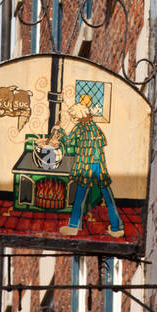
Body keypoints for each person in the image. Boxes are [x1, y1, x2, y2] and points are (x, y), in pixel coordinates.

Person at [55, 94, 124, 238]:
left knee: (80, 197)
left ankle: (73, 226)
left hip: (87, 166)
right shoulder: (94, 126)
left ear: (78, 116)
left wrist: (59, 130)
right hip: (99, 165)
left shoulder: (79, 128)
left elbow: (68, 142)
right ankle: (116, 227)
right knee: (108, 197)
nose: (73, 119)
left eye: (73, 117)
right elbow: (103, 141)